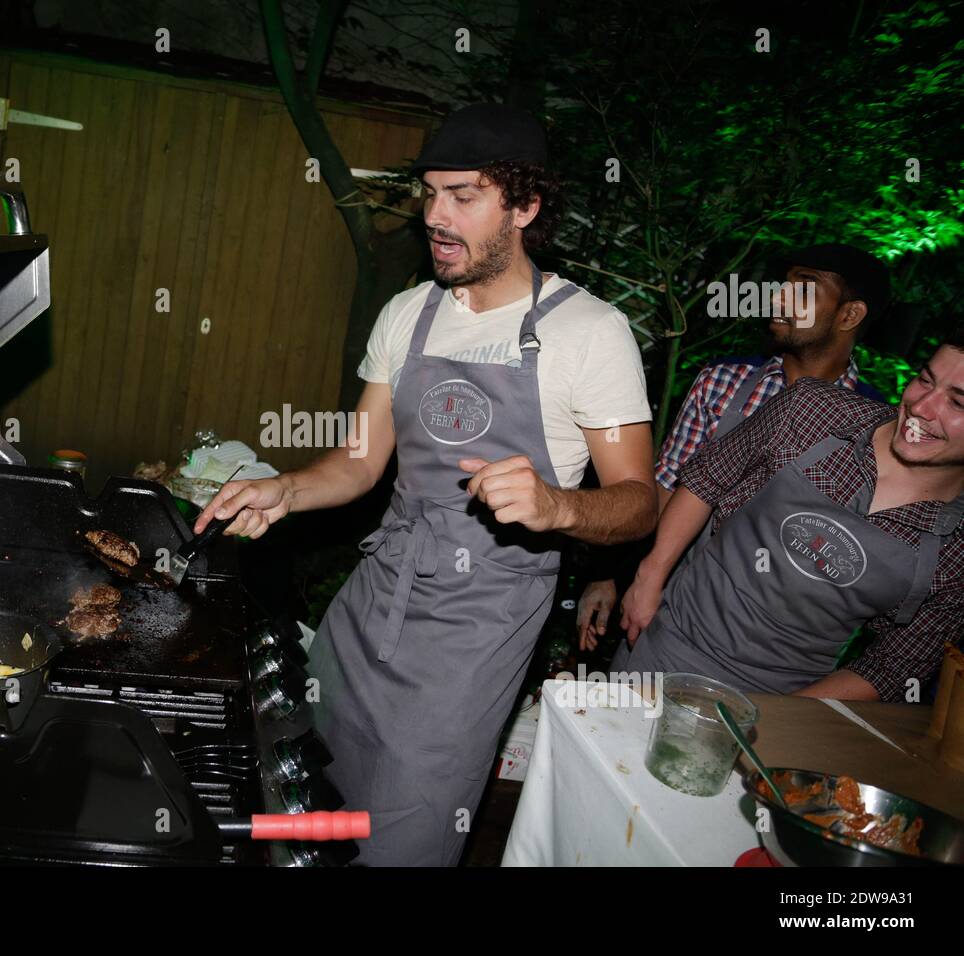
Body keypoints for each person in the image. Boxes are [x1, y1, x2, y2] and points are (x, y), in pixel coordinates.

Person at [192, 104, 657, 865]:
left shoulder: (587, 333)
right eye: (429, 192)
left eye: (463, 196)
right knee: (302, 789)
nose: (435, 216)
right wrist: (288, 489)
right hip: (374, 596)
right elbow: (360, 462)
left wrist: (558, 504)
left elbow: (639, 503)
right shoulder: (409, 314)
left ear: (526, 206)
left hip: (476, 628)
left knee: (404, 827)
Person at [615, 333, 964, 700]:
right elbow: (708, 478)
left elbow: (893, 667)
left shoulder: (956, 550)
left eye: (957, 403)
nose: (922, 407)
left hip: (778, 701)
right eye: (925, 380)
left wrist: (781, 721)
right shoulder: (813, 410)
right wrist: (649, 577)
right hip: (668, 641)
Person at [577, 244, 890, 651]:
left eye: (805, 289)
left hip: (784, 645)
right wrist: (607, 575)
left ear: (850, 314)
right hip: (673, 610)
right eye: (782, 285)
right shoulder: (722, 383)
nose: (779, 298)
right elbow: (662, 492)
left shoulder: (877, 427)